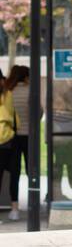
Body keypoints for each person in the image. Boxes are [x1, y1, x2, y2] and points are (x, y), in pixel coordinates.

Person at [6, 65, 42, 220]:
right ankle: (34, 204)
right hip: (29, 136)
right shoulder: (30, 91)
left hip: (12, 137)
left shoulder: (8, 92)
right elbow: (39, 113)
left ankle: (14, 208)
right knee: (31, 170)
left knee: (15, 173)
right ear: (26, 77)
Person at [0, 70, 18, 219]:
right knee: (13, 174)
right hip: (6, 141)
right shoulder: (8, 95)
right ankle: (14, 209)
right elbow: (12, 115)